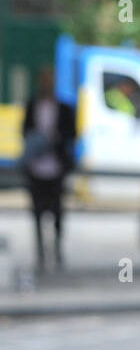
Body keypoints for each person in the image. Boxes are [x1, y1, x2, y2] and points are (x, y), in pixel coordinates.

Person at [21, 67, 76, 269]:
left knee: (57, 212)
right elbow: (25, 130)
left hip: (56, 166)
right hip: (36, 166)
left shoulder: (63, 107)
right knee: (37, 212)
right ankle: (40, 254)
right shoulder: (32, 105)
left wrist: (56, 140)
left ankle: (57, 250)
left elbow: (72, 132)